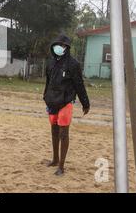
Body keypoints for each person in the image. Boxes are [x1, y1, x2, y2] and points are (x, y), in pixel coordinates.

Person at [43, 34, 90, 176]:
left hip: (66, 101)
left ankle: (61, 167)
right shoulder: (50, 63)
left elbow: (79, 84)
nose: (60, 48)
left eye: (63, 46)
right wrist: (45, 96)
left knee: (64, 133)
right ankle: (55, 159)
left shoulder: (73, 64)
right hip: (52, 101)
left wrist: (85, 102)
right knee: (54, 131)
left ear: (67, 48)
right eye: (58, 45)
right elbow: (48, 82)